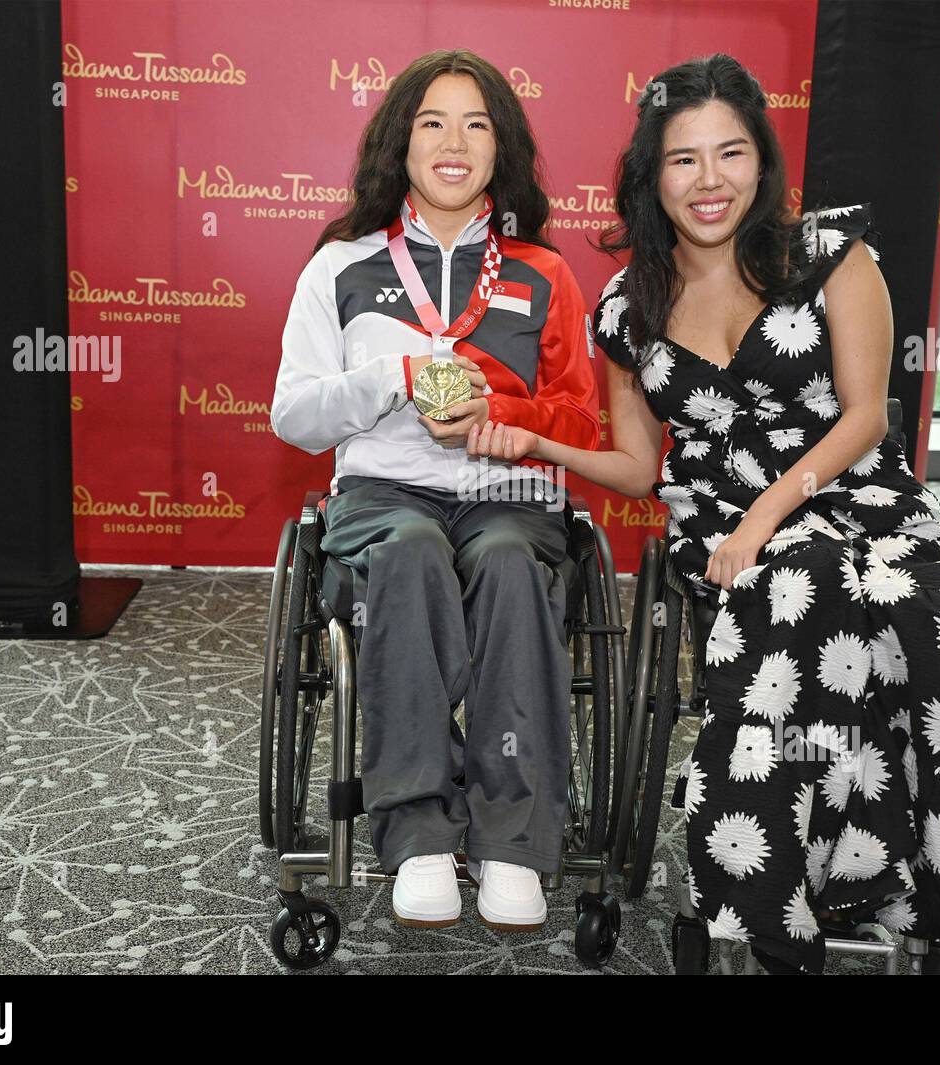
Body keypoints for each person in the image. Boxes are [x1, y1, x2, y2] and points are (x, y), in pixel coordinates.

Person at [466, 53, 940, 972]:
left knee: (935, 613)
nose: (710, 179)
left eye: (730, 153)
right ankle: (772, 905)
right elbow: (640, 465)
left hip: (857, 500)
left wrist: (768, 513)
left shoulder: (833, 258)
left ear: (762, 161)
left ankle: (906, 875)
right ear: (652, 175)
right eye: (684, 159)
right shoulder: (628, 307)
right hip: (726, 529)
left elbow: (866, 416)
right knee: (795, 591)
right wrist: (535, 443)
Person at [270, 50, 600, 933]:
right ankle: (418, 830)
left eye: (477, 124)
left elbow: (584, 423)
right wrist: (390, 375)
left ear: (502, 148)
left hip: (510, 492)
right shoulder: (339, 266)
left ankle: (513, 839)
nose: (454, 143)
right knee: (411, 552)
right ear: (400, 143)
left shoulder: (543, 273)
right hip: (386, 494)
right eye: (433, 122)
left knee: (503, 561)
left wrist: (508, 412)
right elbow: (295, 416)